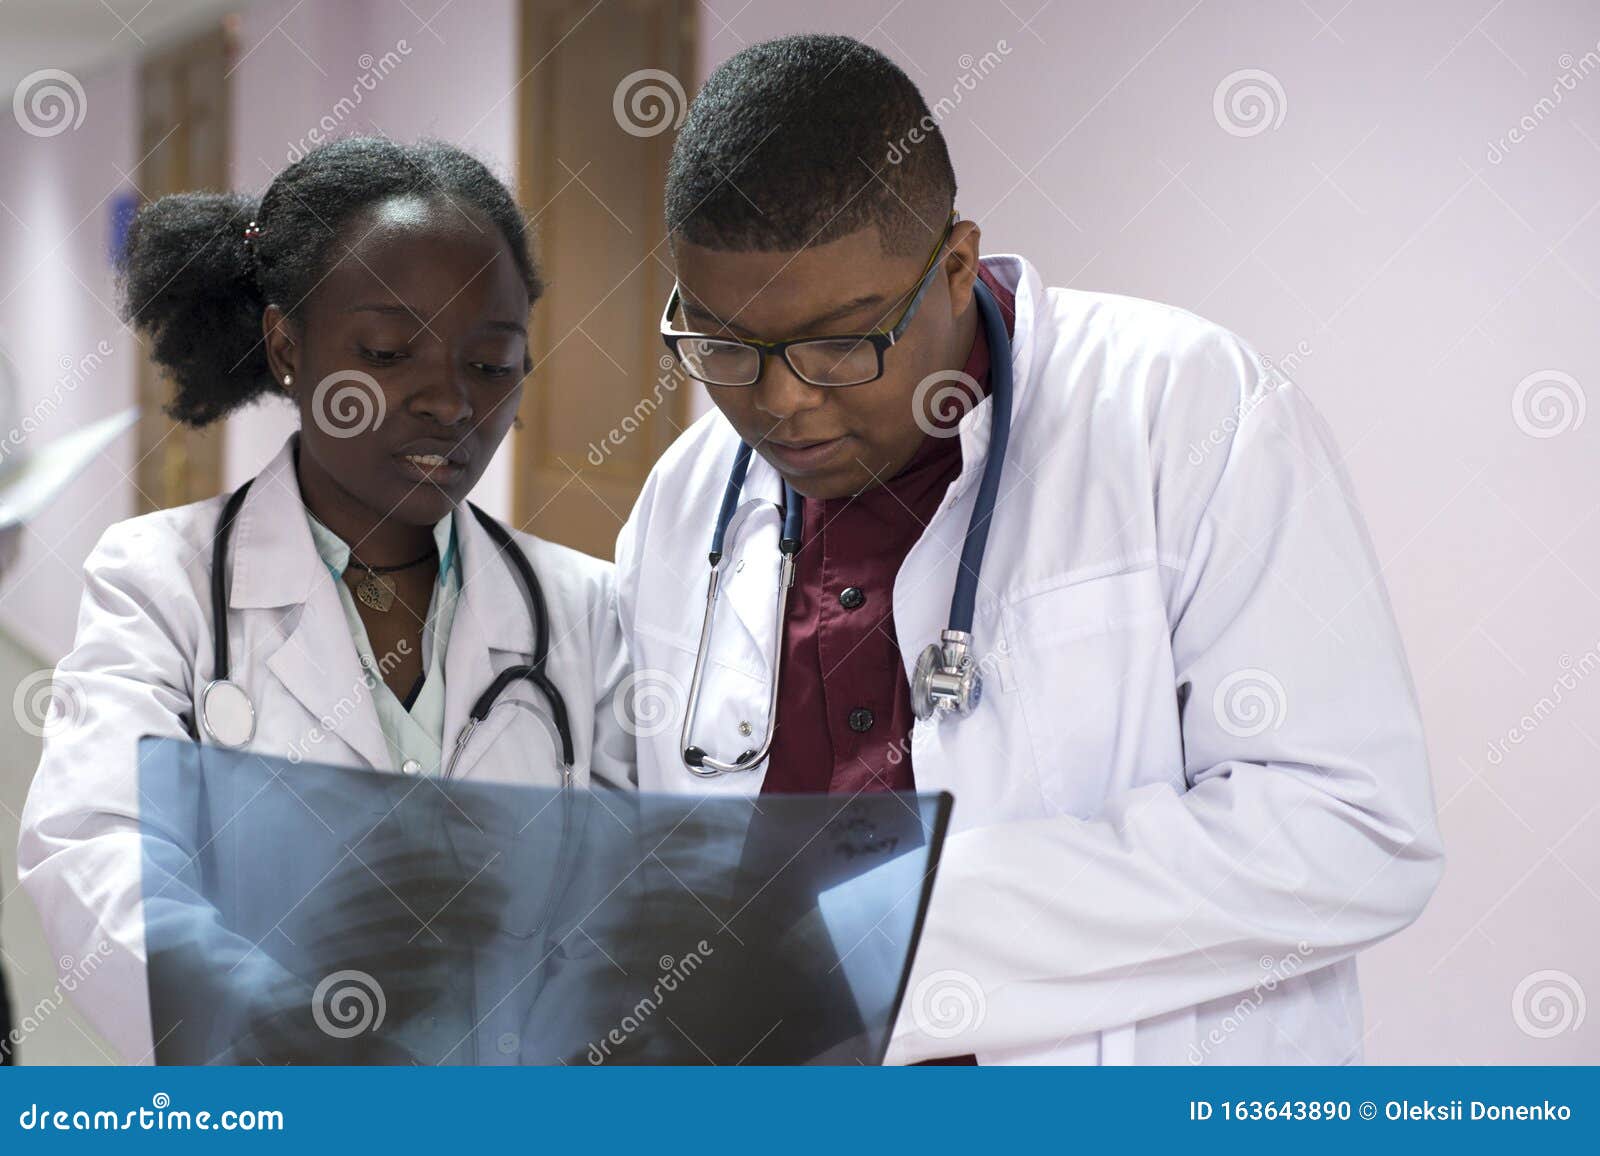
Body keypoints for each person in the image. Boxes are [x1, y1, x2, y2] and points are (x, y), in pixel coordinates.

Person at [615, 34, 1444, 1065]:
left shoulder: (1182, 412)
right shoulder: (686, 498)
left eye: (839, 341)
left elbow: (1353, 830)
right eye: (723, 345)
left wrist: (893, 933)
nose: (779, 401)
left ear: (955, 265)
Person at [18, 135, 633, 1063]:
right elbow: (95, 850)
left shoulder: (583, 608)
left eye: (494, 363)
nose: (450, 403)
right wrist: (275, 1023)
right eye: (389, 352)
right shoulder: (162, 581)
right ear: (285, 346)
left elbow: (642, 887)